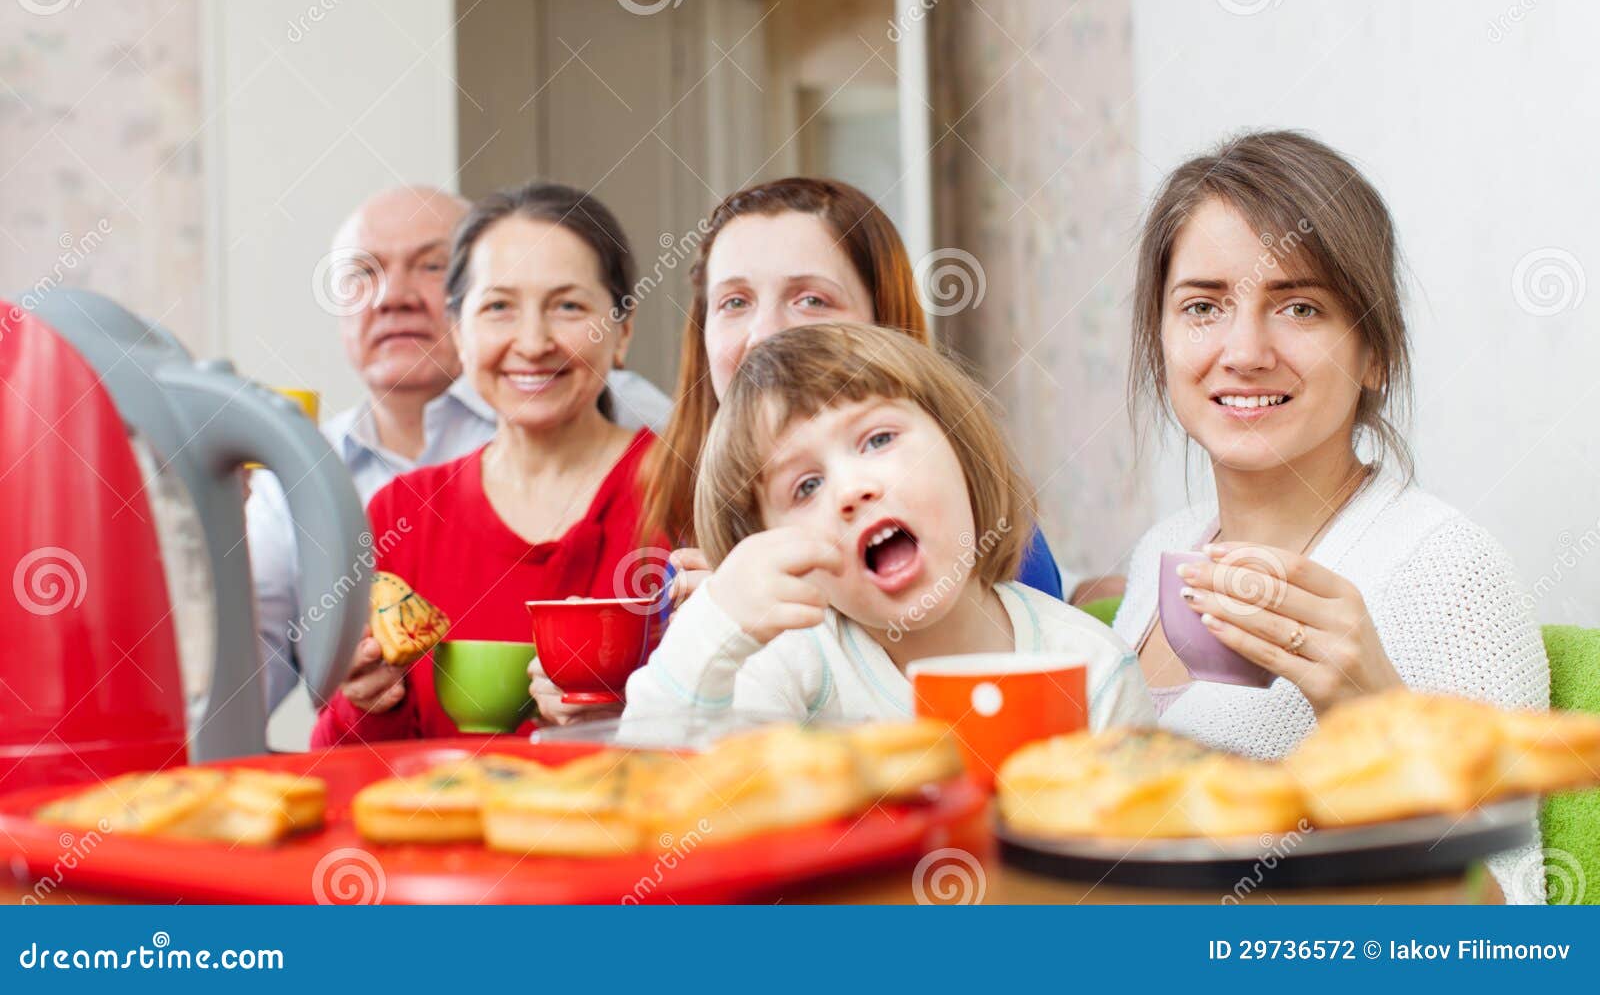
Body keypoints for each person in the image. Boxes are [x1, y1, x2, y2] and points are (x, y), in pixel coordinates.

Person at [1113, 130, 1548, 899]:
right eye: (1204, 306)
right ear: (1162, 339)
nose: (1244, 351)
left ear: (1376, 352)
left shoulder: (1448, 572)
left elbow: (1507, 937)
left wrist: (1375, 719)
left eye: (1300, 307)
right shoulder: (1163, 549)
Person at [530, 178, 1086, 722]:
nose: (765, 335)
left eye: (811, 299)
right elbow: (672, 734)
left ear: (886, 326)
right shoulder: (652, 505)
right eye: (735, 302)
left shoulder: (981, 543)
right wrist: (623, 693)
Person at [248, 185, 669, 714]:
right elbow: (337, 738)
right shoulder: (398, 511)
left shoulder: (690, 488)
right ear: (459, 331)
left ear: (622, 330)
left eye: (568, 305)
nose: (533, 343)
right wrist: (365, 702)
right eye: (498, 306)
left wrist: (633, 716)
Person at [624, 323, 1153, 729]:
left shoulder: (1094, 669)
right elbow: (658, 782)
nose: (852, 490)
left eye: (878, 440)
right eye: (806, 486)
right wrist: (715, 624)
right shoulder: (791, 660)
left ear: (960, 448)